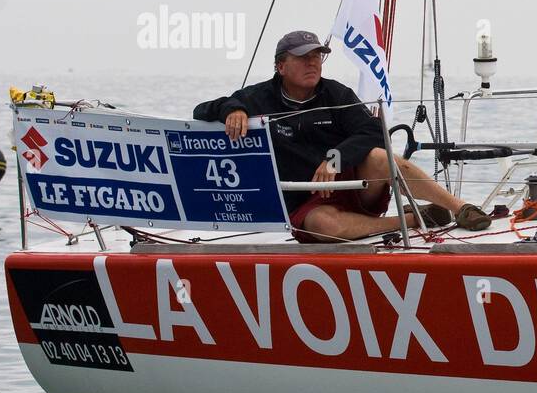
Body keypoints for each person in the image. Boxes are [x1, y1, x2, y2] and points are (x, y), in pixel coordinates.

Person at [193, 30, 491, 241]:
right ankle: (411, 220)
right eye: (303, 58)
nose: (313, 63)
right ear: (280, 66)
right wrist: (233, 110)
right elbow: (202, 109)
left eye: (317, 57)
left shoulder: (336, 93)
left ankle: (461, 208)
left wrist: (334, 159)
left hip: (350, 183)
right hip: (305, 202)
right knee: (322, 225)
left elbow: (372, 131)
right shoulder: (258, 97)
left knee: (378, 157)